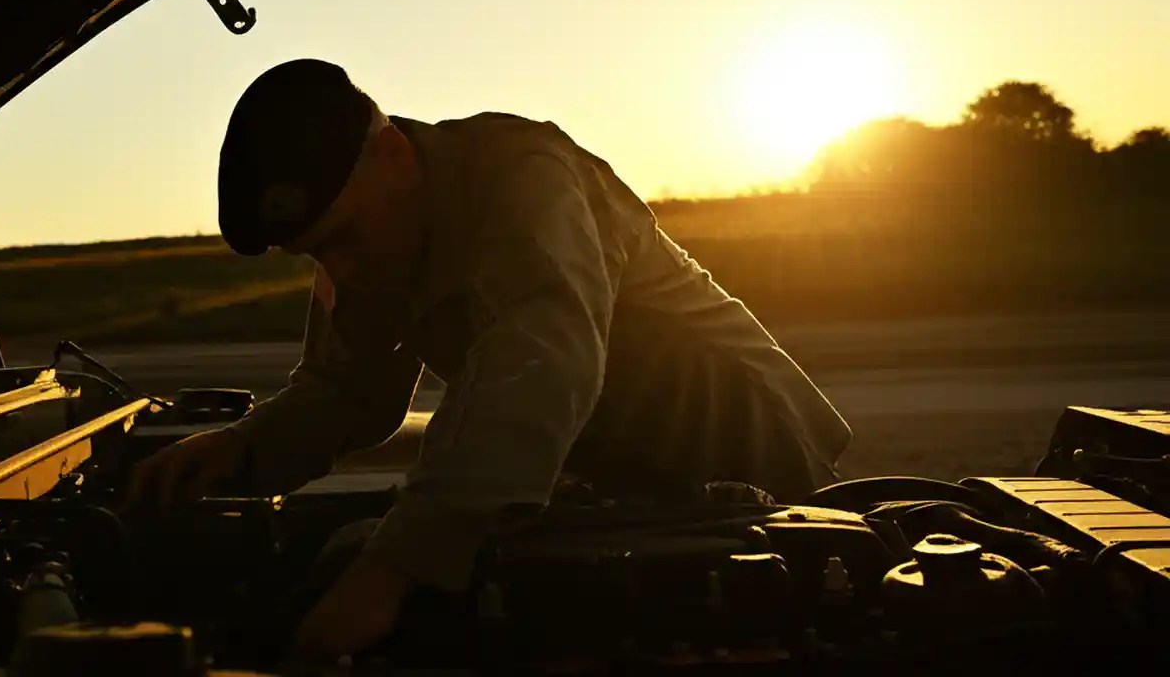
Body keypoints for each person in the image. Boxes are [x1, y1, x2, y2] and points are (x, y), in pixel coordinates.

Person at [125, 58, 853, 659]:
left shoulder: (520, 174)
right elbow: (351, 396)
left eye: (341, 240)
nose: (337, 271)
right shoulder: (377, 242)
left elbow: (541, 363)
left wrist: (398, 565)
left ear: (394, 154)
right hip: (610, 467)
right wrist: (239, 448)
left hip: (745, 440)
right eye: (315, 253)